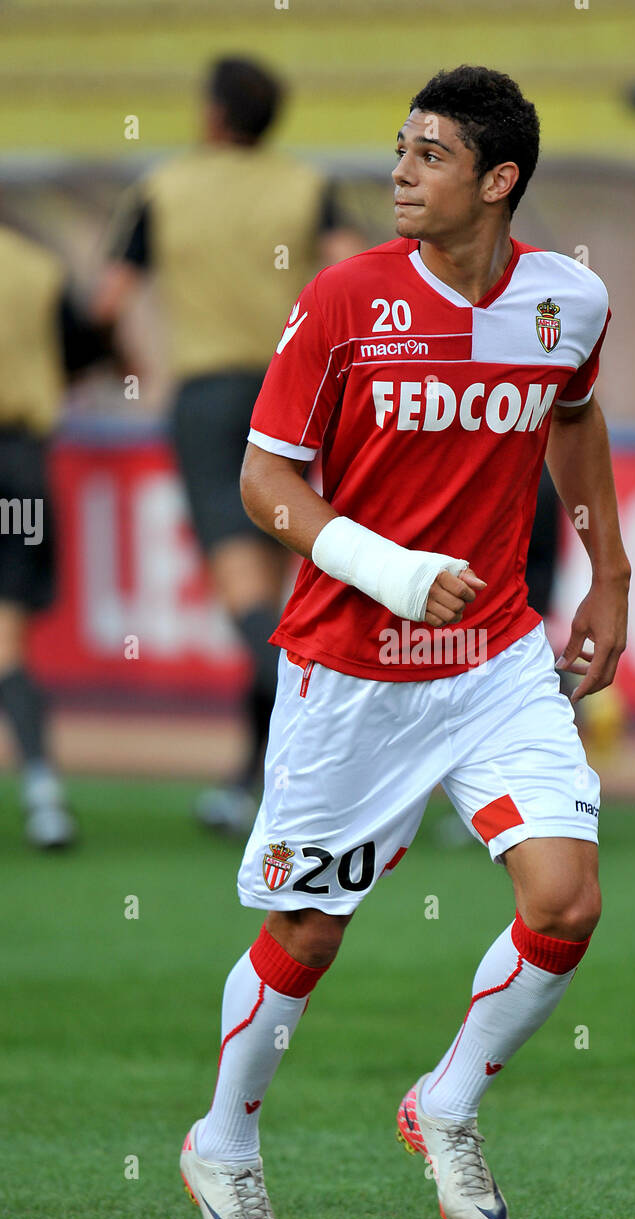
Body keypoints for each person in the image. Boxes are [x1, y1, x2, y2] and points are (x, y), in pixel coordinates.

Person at [180, 64, 630, 1219]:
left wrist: (610, 577)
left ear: (498, 181)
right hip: (351, 667)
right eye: (399, 148)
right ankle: (222, 1139)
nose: (399, 171)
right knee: (310, 934)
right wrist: (387, 567)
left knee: (566, 898)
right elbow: (262, 480)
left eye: (430, 155)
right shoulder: (341, 302)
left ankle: (447, 1100)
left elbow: (573, 421)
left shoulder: (567, 302)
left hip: (491, 659)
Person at [92, 55, 365, 835]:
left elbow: (109, 301)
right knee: (285, 594)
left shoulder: (164, 187)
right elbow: (354, 273)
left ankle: (323, 735)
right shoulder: (305, 186)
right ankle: (253, 779)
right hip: (298, 390)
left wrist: (126, 367)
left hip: (210, 402)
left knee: (248, 599)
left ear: (214, 113)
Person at [0, 219, 109, 848]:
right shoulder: (35, 267)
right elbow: (85, 348)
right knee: (8, 639)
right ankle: (43, 793)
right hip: (21, 470)